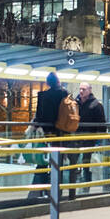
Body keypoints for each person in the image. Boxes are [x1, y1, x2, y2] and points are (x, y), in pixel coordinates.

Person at [28, 71, 70, 201]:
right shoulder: (65, 94)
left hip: (45, 135)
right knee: (57, 164)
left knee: (42, 163)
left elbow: (39, 117)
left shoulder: (43, 96)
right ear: (58, 81)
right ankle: (56, 191)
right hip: (61, 135)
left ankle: (40, 191)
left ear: (48, 83)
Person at [74, 83, 107, 191]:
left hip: (88, 139)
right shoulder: (75, 103)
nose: (81, 91)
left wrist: (98, 139)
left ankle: (85, 187)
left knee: (86, 163)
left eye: (83, 89)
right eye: (80, 89)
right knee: (74, 162)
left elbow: (102, 125)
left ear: (89, 90)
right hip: (75, 138)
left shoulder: (96, 105)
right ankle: (74, 186)